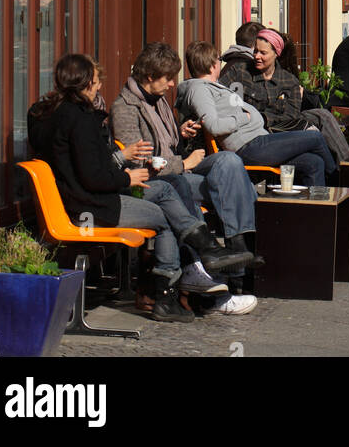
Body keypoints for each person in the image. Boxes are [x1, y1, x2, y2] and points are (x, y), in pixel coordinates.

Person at [27, 54, 248, 323]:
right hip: (91, 205)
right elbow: (93, 177)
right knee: (164, 218)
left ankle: (208, 249)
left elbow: (83, 166)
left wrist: (122, 168)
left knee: (166, 191)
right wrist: (127, 179)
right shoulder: (80, 119)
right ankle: (166, 295)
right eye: (95, 82)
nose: (98, 87)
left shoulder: (46, 113)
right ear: (83, 84)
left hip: (82, 196)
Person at [110, 41, 261, 315]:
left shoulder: (158, 102)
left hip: (178, 170)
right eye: (167, 78)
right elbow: (140, 163)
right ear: (149, 77)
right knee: (181, 186)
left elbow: (164, 145)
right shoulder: (126, 108)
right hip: (156, 181)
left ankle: (237, 248)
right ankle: (211, 269)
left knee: (228, 162)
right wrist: (183, 163)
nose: (171, 84)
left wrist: (180, 133)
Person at [177, 41, 338, 186]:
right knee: (314, 137)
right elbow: (214, 126)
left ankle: (319, 214)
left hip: (259, 141)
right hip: (249, 147)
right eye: (219, 60)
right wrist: (244, 117)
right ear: (213, 65)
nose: (220, 63)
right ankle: (340, 185)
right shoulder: (199, 89)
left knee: (313, 162)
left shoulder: (213, 86)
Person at [222, 28, 349, 167]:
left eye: (263, 53)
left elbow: (292, 116)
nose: (256, 56)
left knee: (315, 160)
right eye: (255, 51)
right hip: (252, 137)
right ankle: (344, 174)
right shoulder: (239, 71)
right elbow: (220, 96)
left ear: (276, 53)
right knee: (315, 135)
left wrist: (263, 118)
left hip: (280, 132)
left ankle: (344, 174)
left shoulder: (289, 81)